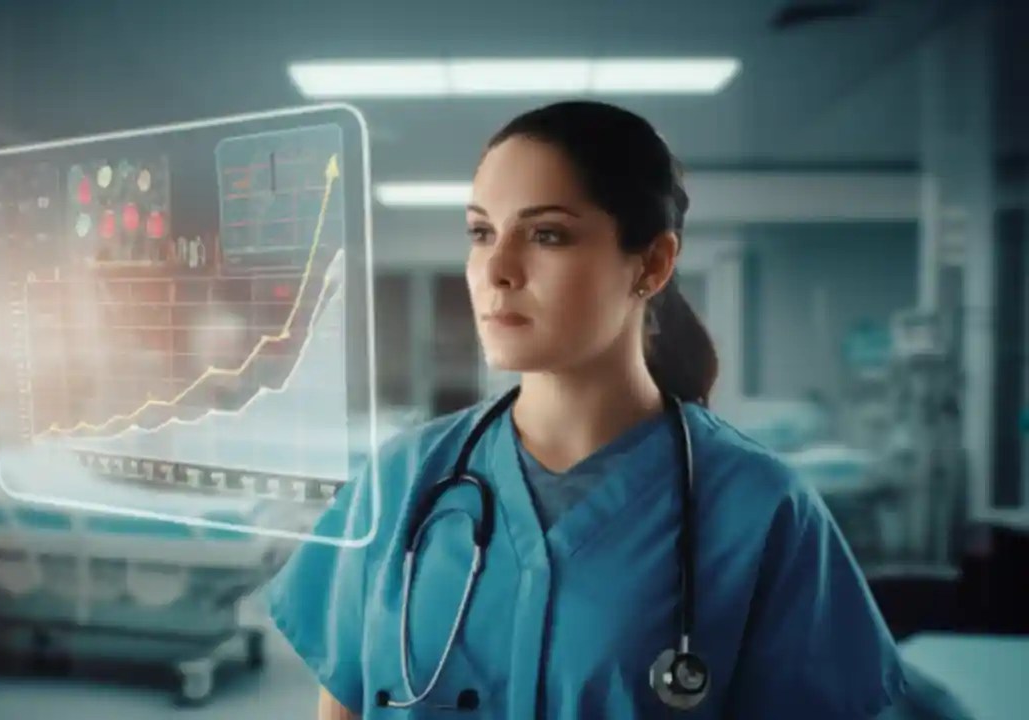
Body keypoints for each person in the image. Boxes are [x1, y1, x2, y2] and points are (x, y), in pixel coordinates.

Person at [265, 101, 907, 719]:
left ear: (652, 264)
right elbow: (341, 704)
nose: (498, 268)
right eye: (482, 232)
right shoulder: (403, 480)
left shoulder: (761, 509)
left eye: (547, 234)